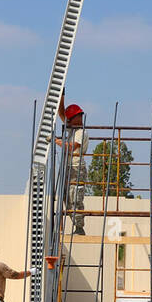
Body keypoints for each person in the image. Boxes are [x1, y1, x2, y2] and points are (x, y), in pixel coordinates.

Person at [56, 92, 87, 234]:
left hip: (76, 168)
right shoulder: (72, 129)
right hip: (69, 167)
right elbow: (61, 113)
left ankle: (79, 227)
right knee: (65, 197)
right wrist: (61, 96)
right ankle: (76, 224)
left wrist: (55, 141)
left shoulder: (80, 132)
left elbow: (71, 146)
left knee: (75, 197)